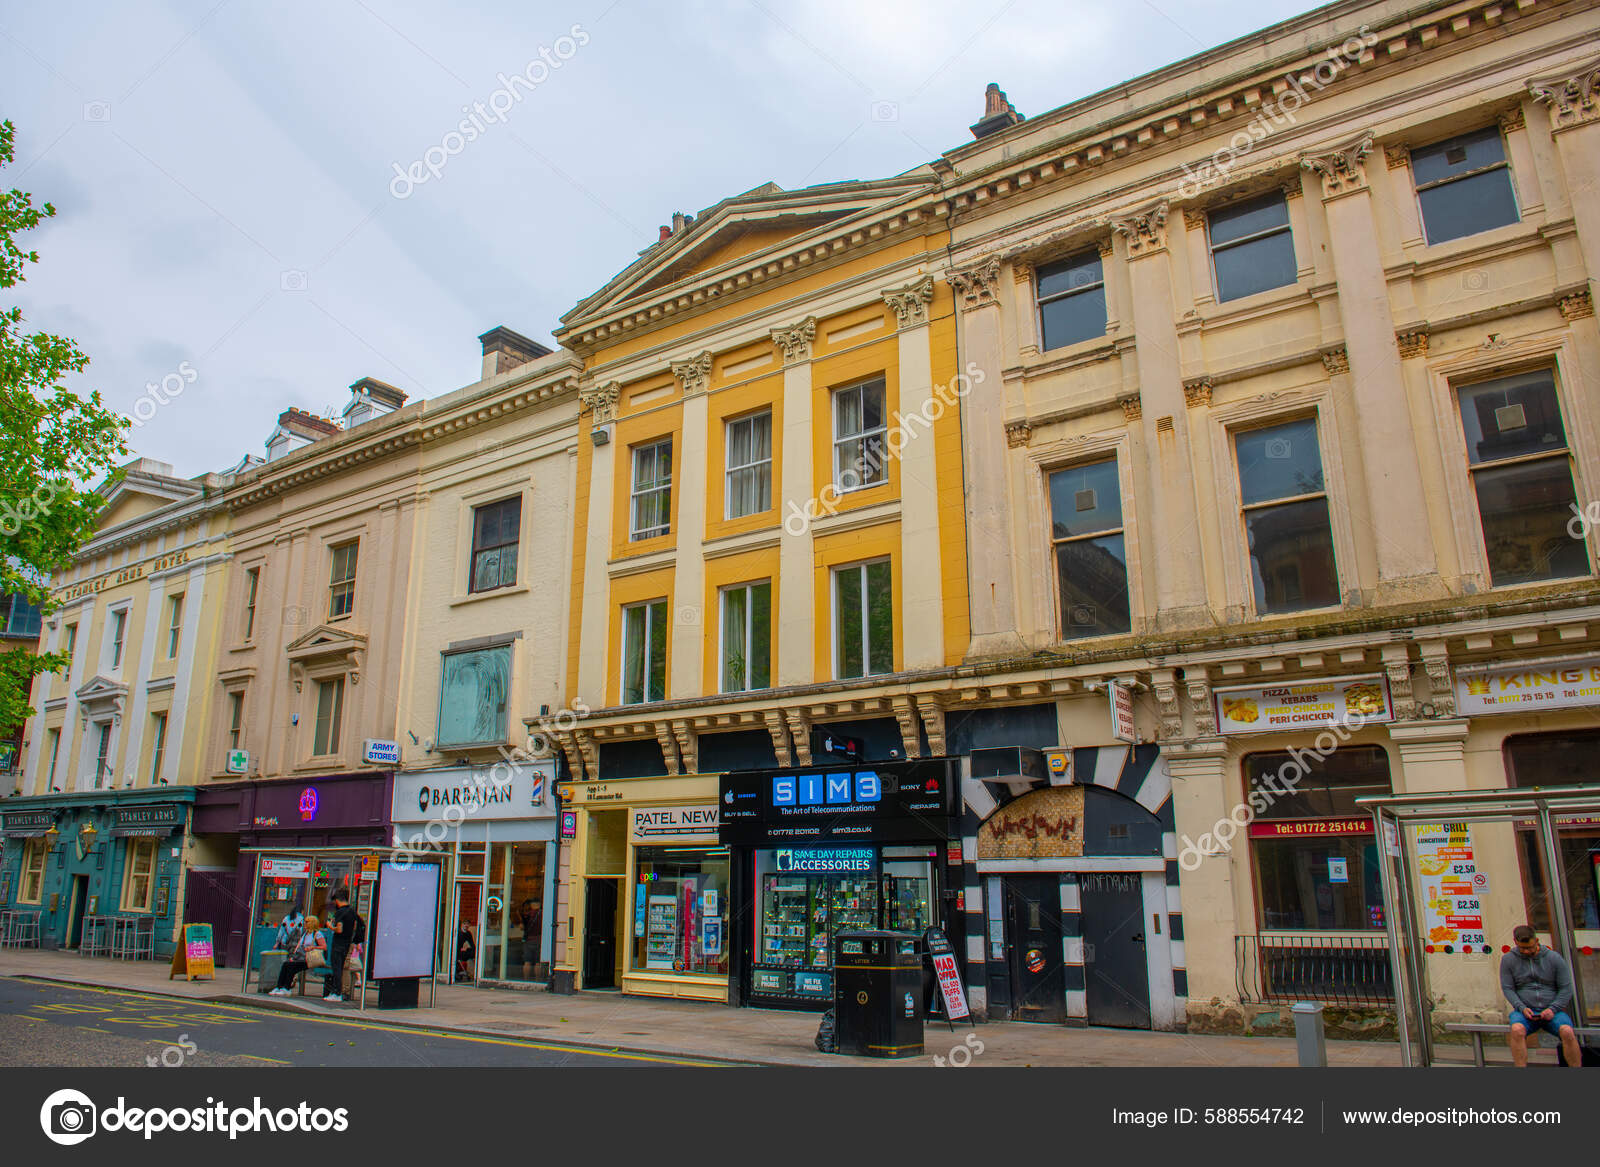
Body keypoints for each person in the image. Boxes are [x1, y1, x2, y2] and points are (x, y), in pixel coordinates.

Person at [1500, 924, 1582, 1069]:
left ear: (1536, 941)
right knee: (1517, 1030)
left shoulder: (1553, 958)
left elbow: (1566, 987)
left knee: (1567, 1031)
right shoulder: (1508, 960)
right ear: (1515, 942)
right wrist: (1521, 1007)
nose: (1527, 951)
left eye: (1530, 947)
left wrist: (1553, 1008)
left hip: (1552, 1010)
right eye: (1523, 948)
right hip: (1525, 1011)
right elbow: (1508, 988)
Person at [270, 915, 326, 995]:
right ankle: (279, 987)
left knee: (291, 967)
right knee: (286, 964)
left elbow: (324, 947)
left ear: (312, 923)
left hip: (310, 959)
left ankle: (286, 988)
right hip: (300, 957)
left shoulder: (317, 934)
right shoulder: (305, 933)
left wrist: (312, 947)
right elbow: (299, 946)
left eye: (307, 922)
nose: (304, 924)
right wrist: (293, 956)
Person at [325, 888, 362, 1003]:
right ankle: (339, 992)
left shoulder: (340, 912)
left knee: (337, 968)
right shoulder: (352, 911)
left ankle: (337, 993)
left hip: (338, 943)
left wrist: (330, 926)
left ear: (337, 900)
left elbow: (339, 929)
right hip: (347, 943)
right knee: (341, 968)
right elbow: (359, 925)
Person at [519, 899, 542, 980]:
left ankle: (526, 979)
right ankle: (538, 979)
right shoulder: (543, 914)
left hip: (529, 940)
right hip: (539, 939)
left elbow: (521, 927)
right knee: (538, 962)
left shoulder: (527, 915)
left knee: (527, 962)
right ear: (539, 904)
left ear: (532, 905)